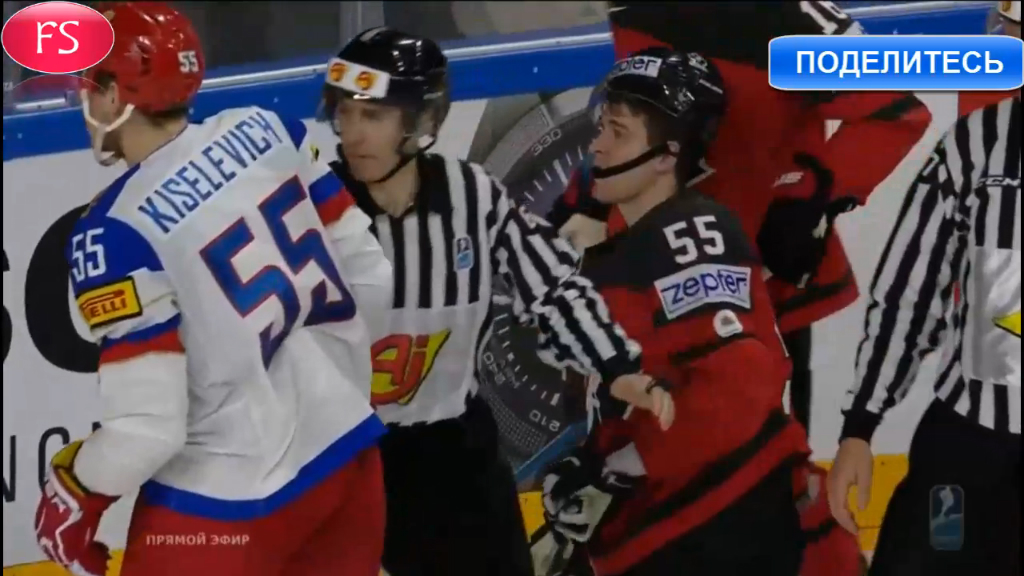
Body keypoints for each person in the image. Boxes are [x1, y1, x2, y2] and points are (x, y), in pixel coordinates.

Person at [32, 3, 393, 576]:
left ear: (115, 96)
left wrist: (76, 488)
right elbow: (373, 282)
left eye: (90, 85)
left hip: (225, 512)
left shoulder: (113, 233)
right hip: (350, 464)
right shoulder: (269, 129)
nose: (84, 98)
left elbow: (149, 429)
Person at [318, 27, 674, 576]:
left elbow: (551, 285)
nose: (354, 132)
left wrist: (616, 366)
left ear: (421, 120)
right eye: (345, 113)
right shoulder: (313, 210)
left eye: (374, 115)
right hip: (349, 458)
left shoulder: (471, 194)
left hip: (454, 449)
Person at [551, 0, 931, 440]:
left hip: (756, 286)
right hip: (636, 282)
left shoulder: (787, 16)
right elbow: (633, 113)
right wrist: (587, 202)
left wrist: (803, 203)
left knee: (756, 454)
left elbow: (894, 108)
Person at [536, 47, 810, 576]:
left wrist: (615, 469)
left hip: (715, 526)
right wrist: (592, 461)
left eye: (618, 131)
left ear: (667, 155)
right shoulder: (631, 245)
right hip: (673, 528)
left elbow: (740, 380)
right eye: (602, 127)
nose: (597, 144)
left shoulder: (692, 234)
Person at [827, 4, 1020, 575]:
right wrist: (860, 426)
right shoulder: (974, 144)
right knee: (935, 550)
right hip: (965, 457)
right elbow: (908, 292)